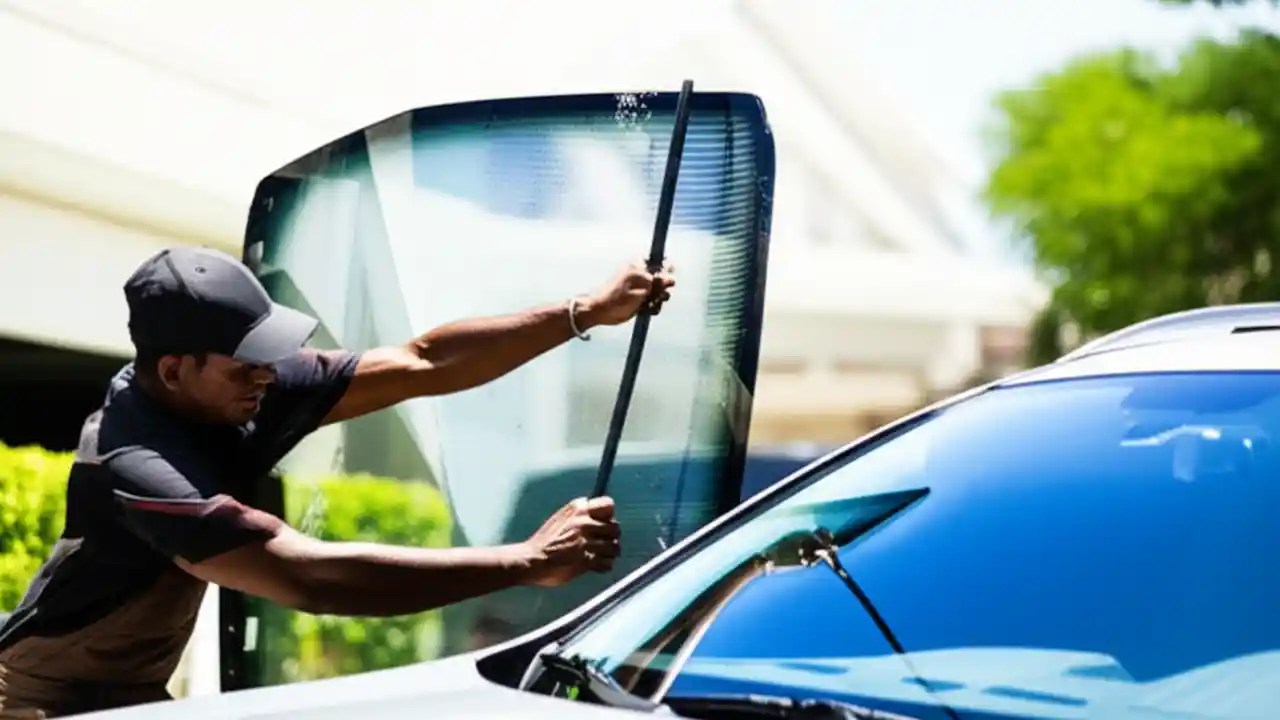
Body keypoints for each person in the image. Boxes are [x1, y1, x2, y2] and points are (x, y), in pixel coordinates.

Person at [0, 245, 676, 717]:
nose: (267, 375)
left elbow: (424, 360)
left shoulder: (234, 389)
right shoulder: (135, 461)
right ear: (175, 370)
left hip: (131, 689)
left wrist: (584, 310)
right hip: (42, 698)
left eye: (268, 357)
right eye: (246, 365)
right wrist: (524, 562)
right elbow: (307, 577)